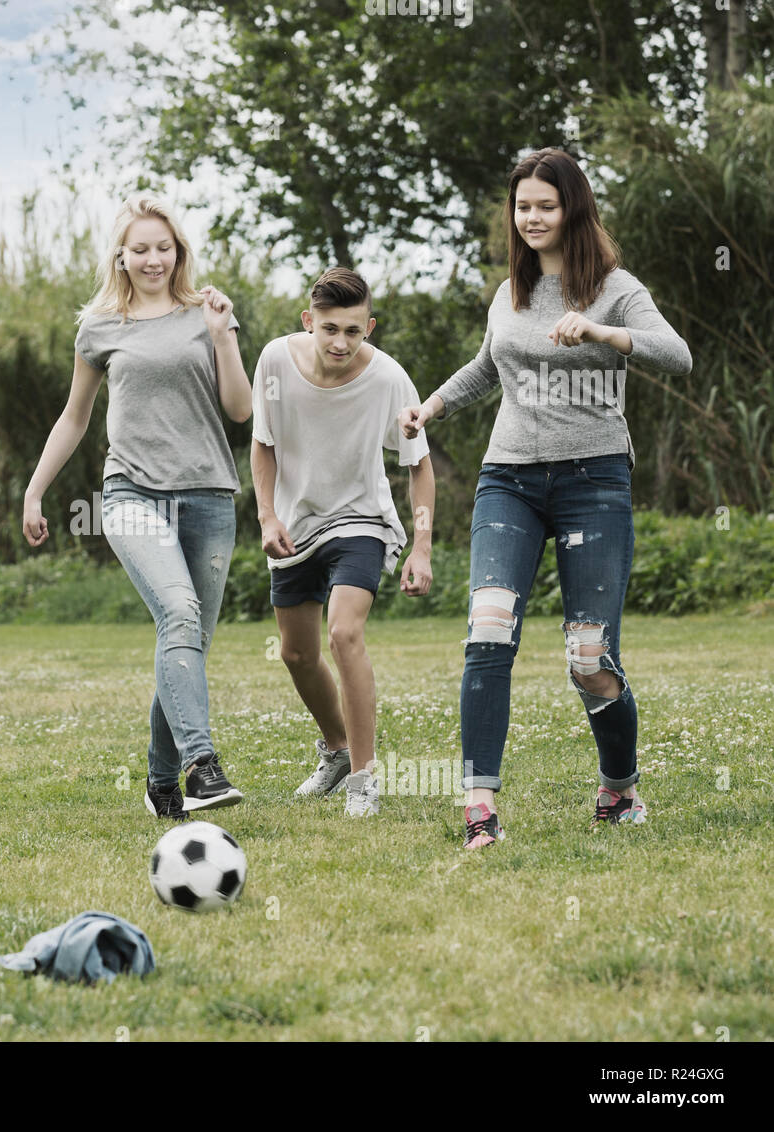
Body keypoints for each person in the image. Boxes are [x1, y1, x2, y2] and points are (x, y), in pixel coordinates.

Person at [399, 147, 692, 849]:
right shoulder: (512, 292)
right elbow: (486, 365)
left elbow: (675, 354)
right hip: (511, 480)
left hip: (594, 481)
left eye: (546, 205)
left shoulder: (616, 288)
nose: (532, 218)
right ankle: (480, 808)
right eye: (523, 206)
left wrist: (600, 331)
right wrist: (431, 406)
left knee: (588, 656)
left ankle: (618, 789)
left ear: (573, 210)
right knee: (488, 626)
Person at [22, 195, 253, 821]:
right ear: (121, 256)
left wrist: (222, 337)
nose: (153, 258)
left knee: (188, 641)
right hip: (131, 494)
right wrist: (35, 489)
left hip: (208, 495)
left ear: (178, 251)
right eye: (140, 248)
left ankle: (160, 781)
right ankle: (202, 765)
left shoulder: (207, 313)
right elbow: (75, 418)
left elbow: (240, 409)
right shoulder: (100, 326)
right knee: (179, 611)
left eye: (164, 247)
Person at [251, 267, 434, 816]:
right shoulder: (275, 363)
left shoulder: (389, 380)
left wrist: (421, 546)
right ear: (308, 321)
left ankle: (363, 777)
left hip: (361, 521)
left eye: (354, 331)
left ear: (369, 327)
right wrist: (266, 516)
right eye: (329, 328)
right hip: (294, 523)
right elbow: (263, 445)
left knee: (344, 633)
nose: (340, 343)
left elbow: (419, 467)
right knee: (297, 652)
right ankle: (335, 748)